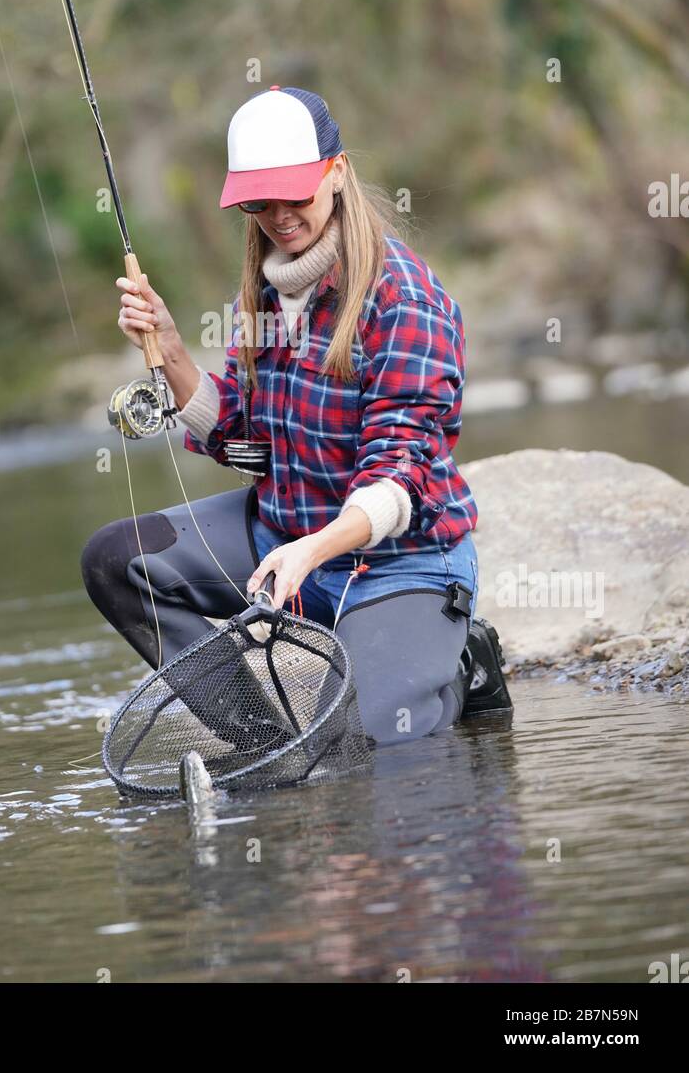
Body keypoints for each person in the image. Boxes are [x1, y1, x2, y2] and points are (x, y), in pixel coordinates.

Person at [81, 87, 511, 747]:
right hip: (282, 539)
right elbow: (248, 442)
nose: (278, 216)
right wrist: (168, 349)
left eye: (294, 195)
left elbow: (397, 475)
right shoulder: (261, 293)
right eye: (258, 202)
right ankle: (262, 743)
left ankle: (460, 667)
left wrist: (310, 553)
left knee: (371, 743)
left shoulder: (405, 298)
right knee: (115, 560)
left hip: (395, 561)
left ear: (335, 174)